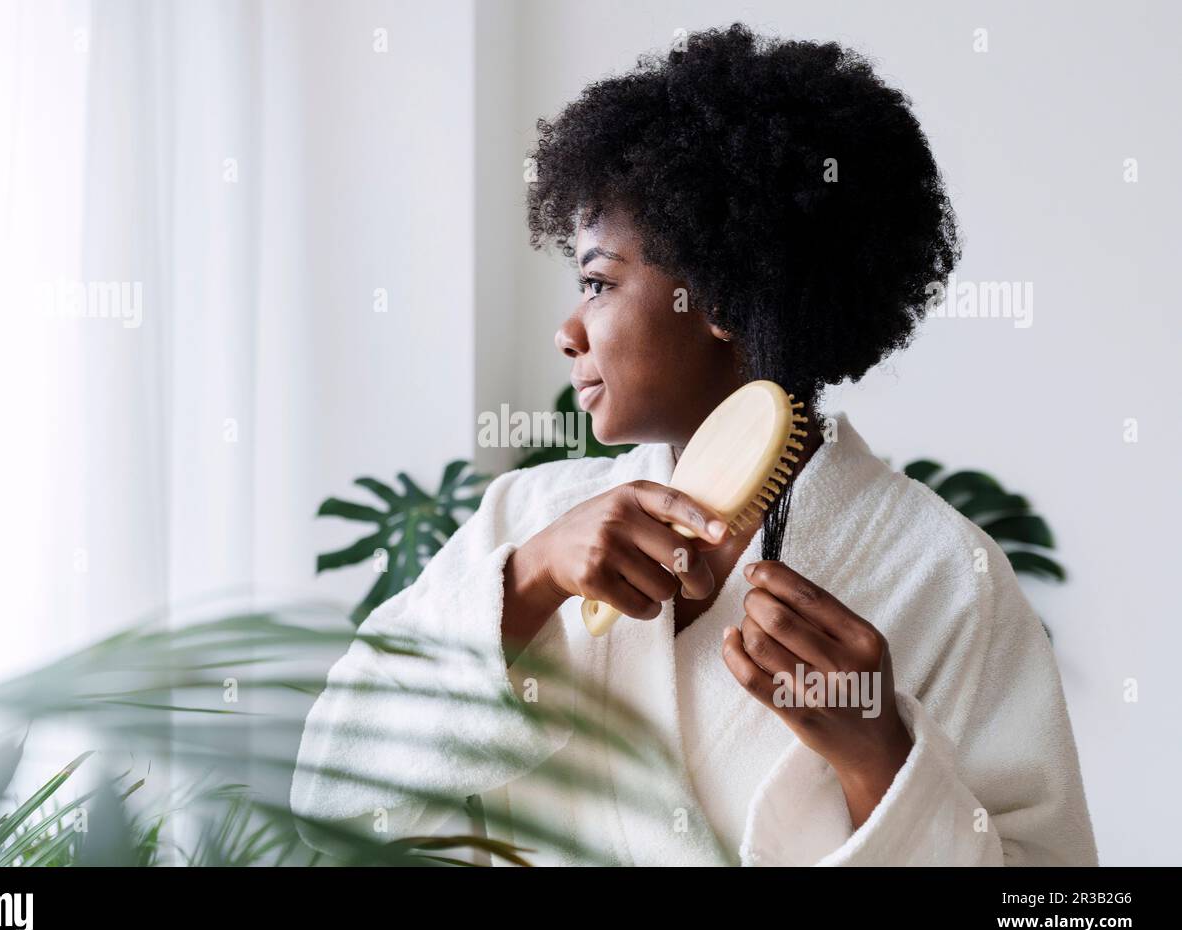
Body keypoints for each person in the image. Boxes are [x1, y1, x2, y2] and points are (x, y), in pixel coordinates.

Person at [290, 23, 1097, 866]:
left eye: (599, 283)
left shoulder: (941, 574)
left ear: (717, 297)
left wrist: (880, 761)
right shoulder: (527, 521)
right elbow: (331, 796)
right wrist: (527, 586)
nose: (568, 332)